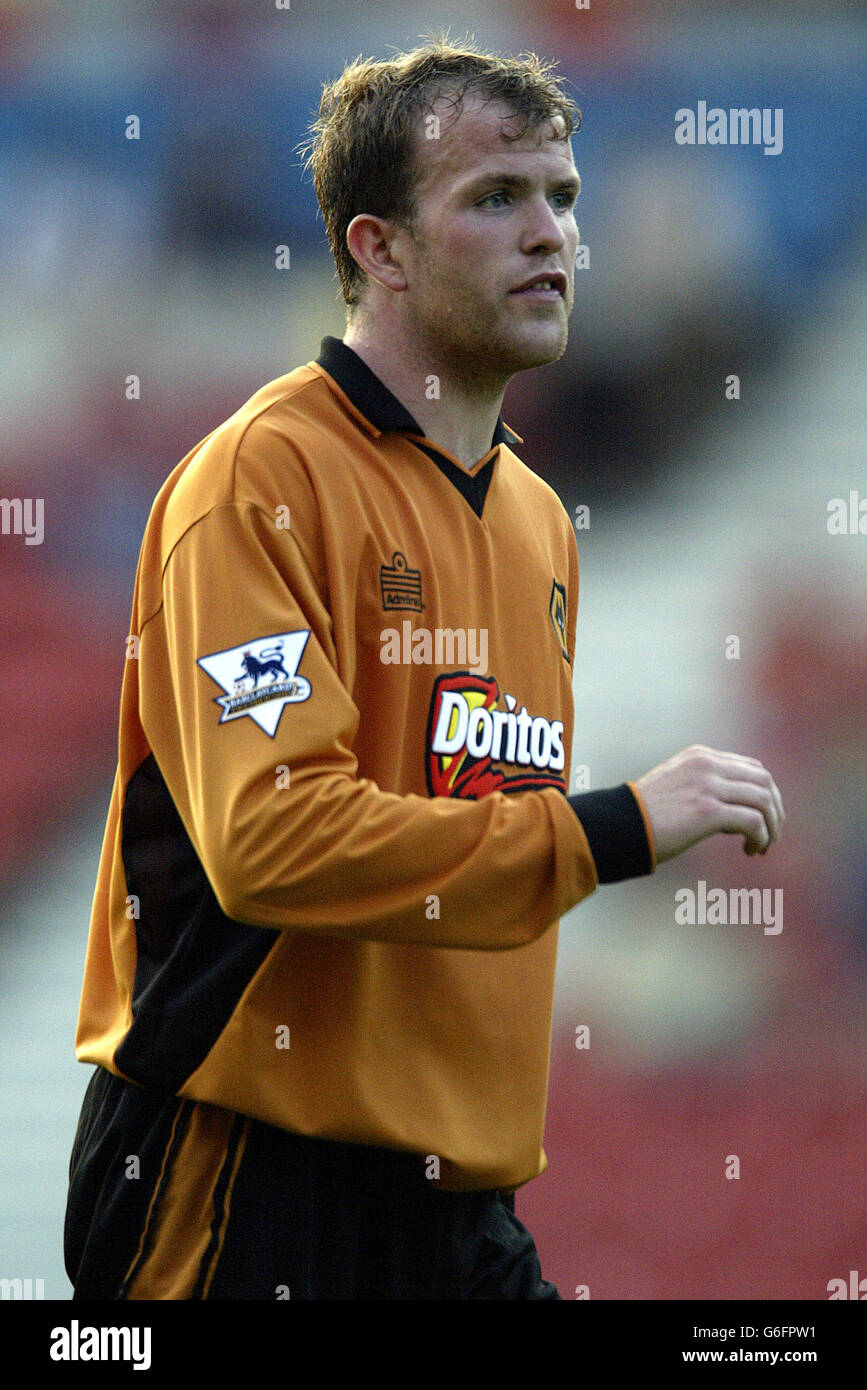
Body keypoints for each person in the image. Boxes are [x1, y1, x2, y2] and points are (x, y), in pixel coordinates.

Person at [64, 39, 784, 1301]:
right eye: (496, 198)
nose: (550, 233)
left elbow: (463, 831)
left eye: (563, 197)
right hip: (248, 1181)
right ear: (379, 248)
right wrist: (609, 829)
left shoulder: (541, 523)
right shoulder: (258, 482)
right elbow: (273, 839)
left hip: (462, 1208)